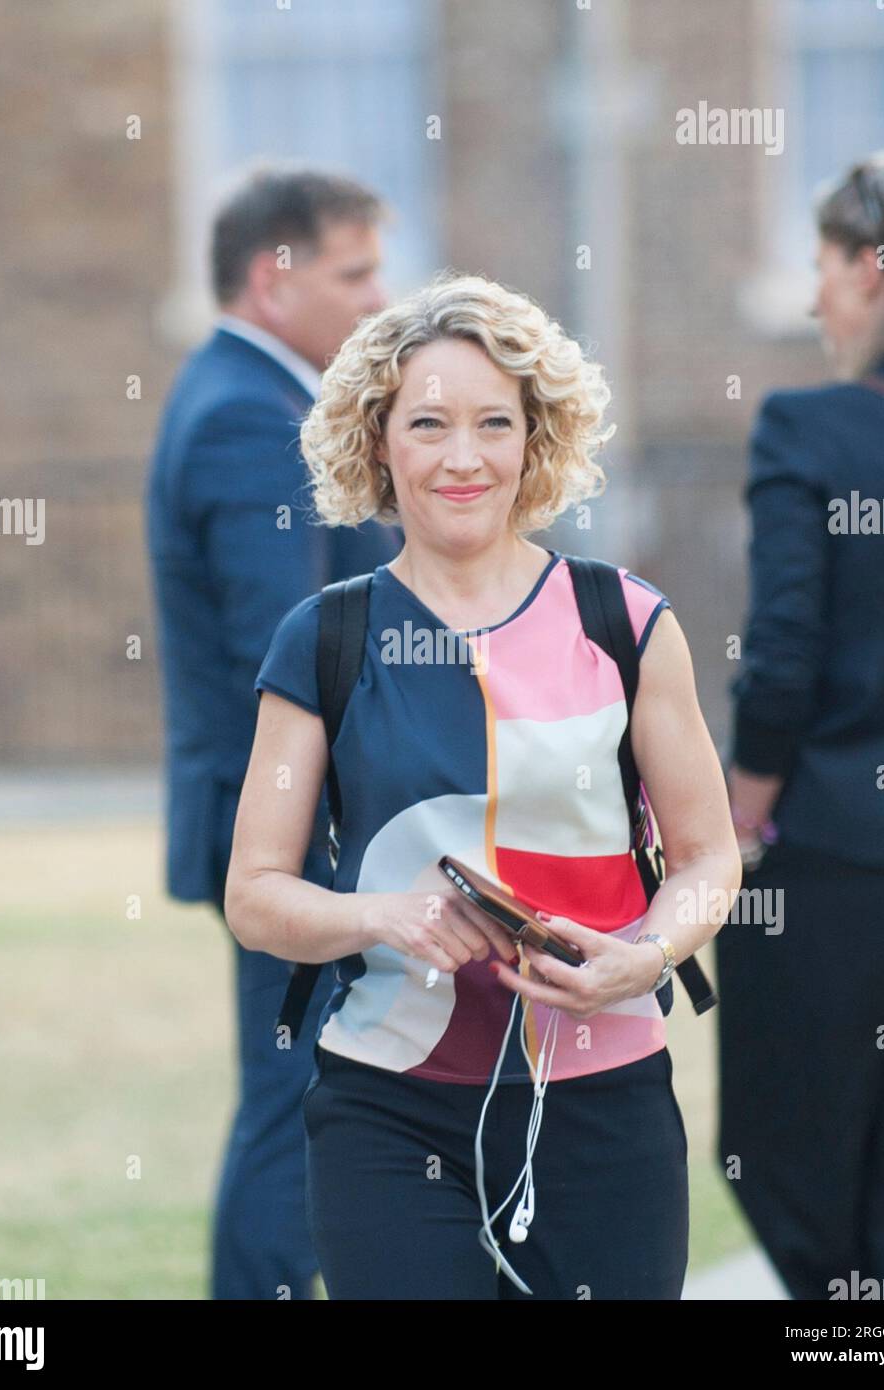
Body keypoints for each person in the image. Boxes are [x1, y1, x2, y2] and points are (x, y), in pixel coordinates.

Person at [223, 271, 742, 1300]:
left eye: (494, 423)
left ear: (534, 439)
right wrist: (385, 915)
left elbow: (707, 858)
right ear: (377, 442)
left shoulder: (627, 622)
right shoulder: (324, 639)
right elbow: (255, 894)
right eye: (427, 424)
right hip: (387, 1109)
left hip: (604, 1103)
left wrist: (647, 957)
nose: (462, 457)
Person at [720, 122, 884, 1299]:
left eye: (823, 265)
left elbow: (782, 657)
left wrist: (731, 827)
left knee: (786, 1156)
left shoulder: (808, 428)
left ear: (870, 271)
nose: (814, 294)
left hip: (834, 853)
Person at [145, 163, 401, 1300]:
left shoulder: (244, 397)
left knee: (309, 1093)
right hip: (285, 829)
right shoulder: (249, 420)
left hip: (292, 822)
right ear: (272, 277)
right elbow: (287, 655)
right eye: (355, 273)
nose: (377, 298)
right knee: (295, 1103)